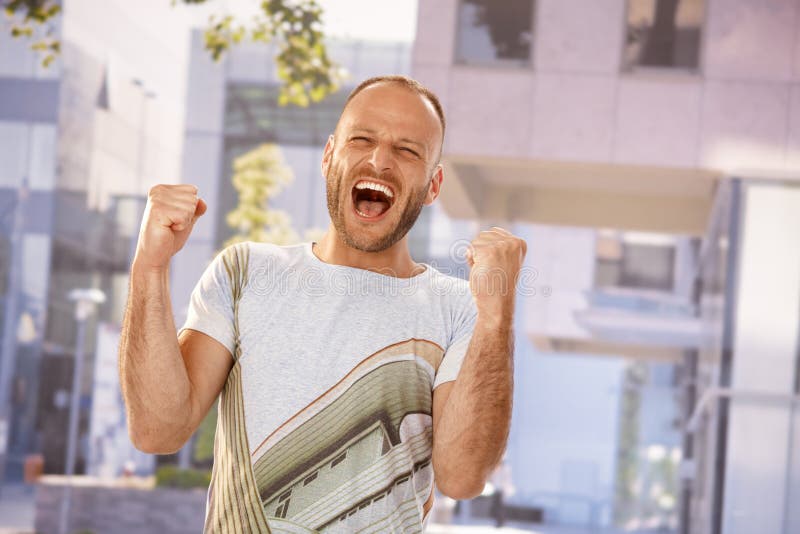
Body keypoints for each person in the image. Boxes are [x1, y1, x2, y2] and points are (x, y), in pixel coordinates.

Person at [119, 75, 526, 533]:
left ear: (433, 186)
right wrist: (150, 267)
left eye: (408, 151)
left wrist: (498, 316)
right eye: (362, 139)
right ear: (330, 156)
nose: (379, 160)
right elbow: (156, 430)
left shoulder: (459, 309)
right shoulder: (244, 272)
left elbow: (463, 477)